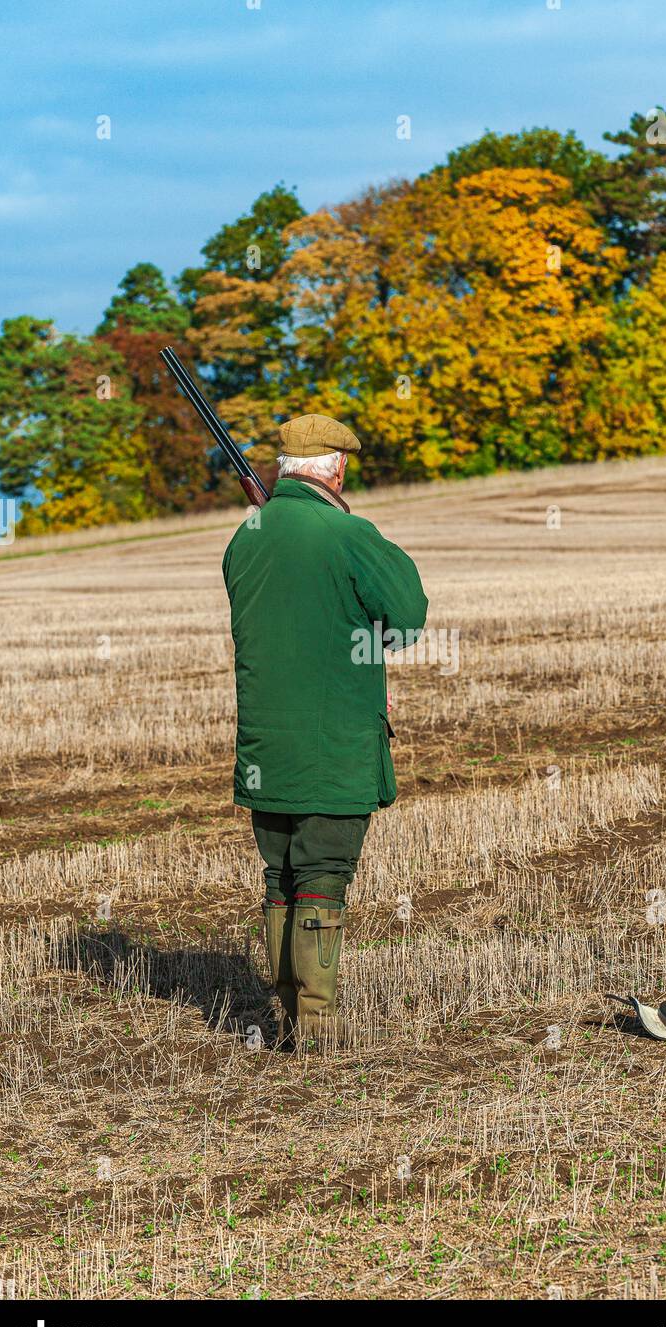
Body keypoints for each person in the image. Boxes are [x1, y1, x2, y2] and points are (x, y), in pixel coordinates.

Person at [222, 414, 428, 1045]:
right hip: (332, 745)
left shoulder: (244, 538)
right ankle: (316, 1028)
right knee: (323, 877)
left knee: (280, 876)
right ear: (336, 467)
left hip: (264, 748)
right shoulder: (347, 534)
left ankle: (286, 1015)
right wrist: (373, 542)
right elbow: (408, 618)